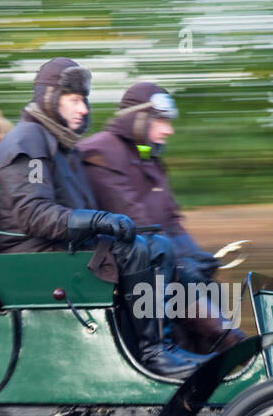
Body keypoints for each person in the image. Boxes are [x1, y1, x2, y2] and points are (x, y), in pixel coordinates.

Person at [0, 58, 210, 379]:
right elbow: (34, 215)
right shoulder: (29, 141)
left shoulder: (61, 145)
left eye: (84, 100)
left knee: (157, 245)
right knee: (137, 249)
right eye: (74, 100)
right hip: (34, 258)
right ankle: (152, 354)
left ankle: (163, 348)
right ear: (50, 97)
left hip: (59, 249)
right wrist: (100, 220)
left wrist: (105, 223)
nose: (84, 109)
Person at [79, 82, 245, 353]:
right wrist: (184, 266)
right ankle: (234, 346)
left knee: (207, 287)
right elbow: (138, 224)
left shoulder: (147, 157)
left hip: (158, 264)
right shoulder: (101, 154)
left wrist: (197, 258)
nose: (169, 130)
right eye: (162, 121)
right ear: (139, 119)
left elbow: (171, 220)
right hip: (121, 268)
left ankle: (221, 359)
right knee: (195, 298)